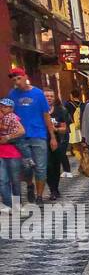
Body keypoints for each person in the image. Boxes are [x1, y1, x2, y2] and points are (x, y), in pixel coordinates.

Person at [7, 68, 57, 204]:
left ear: (25, 77)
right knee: (26, 166)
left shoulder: (38, 94)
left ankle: (39, 196)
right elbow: (8, 114)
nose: (17, 81)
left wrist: (52, 136)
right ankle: (30, 184)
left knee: (41, 167)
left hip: (38, 134)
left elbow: (46, 115)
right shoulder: (12, 94)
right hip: (20, 136)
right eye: (14, 79)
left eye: (19, 78)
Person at [0, 98, 26, 210]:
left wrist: (8, 137)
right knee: (2, 180)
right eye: (1, 106)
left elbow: (21, 131)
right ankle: (7, 205)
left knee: (15, 180)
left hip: (13, 152)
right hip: (1, 153)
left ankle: (16, 204)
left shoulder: (12, 117)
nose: (2, 108)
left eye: (4, 106)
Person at [46, 90, 72, 201]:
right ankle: (52, 190)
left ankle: (55, 189)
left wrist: (55, 129)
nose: (49, 98)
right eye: (46, 96)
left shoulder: (60, 110)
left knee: (55, 166)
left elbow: (64, 128)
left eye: (51, 96)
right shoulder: (38, 111)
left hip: (57, 141)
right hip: (42, 141)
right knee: (47, 166)